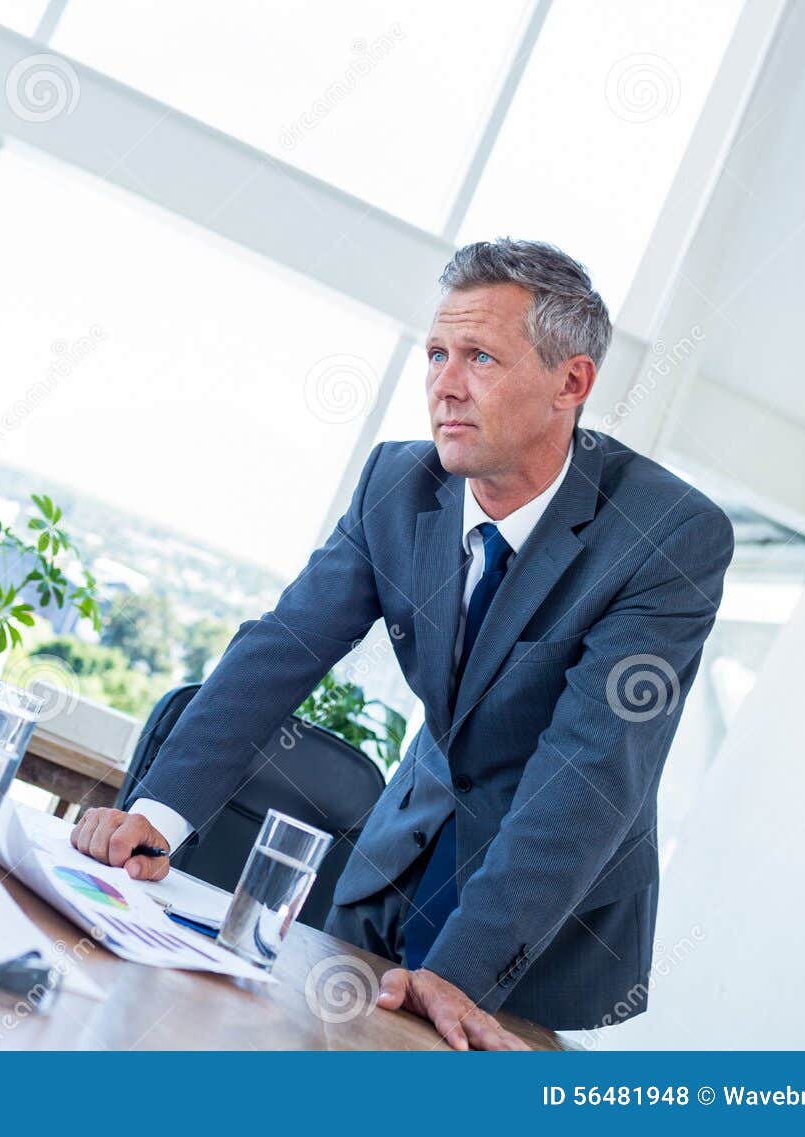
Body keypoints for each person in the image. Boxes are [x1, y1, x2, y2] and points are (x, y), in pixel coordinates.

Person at [71, 239, 735, 1049]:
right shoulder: (398, 485)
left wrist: (462, 969)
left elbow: (590, 770)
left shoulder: (665, 535)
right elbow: (280, 651)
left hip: (535, 927)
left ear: (571, 382)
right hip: (395, 860)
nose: (445, 386)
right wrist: (157, 815)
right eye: (435, 355)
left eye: (480, 357)